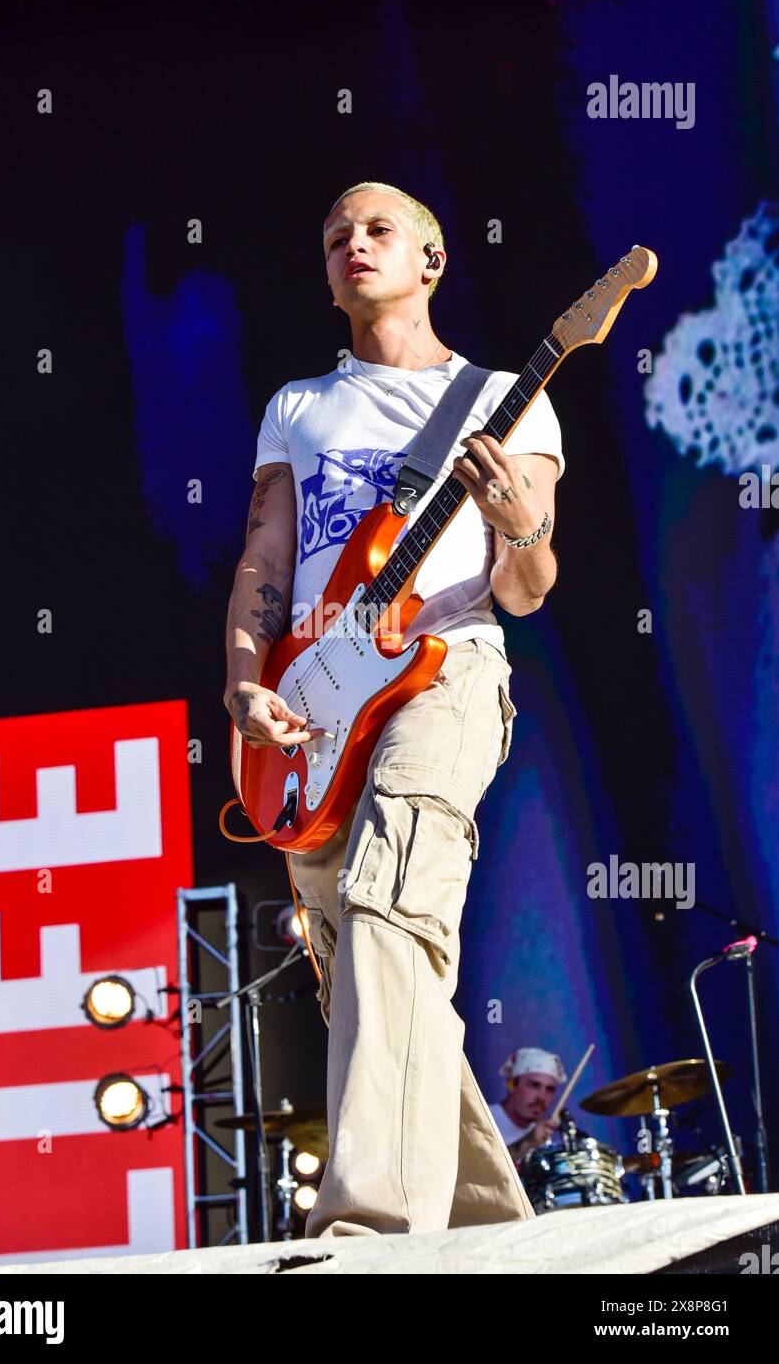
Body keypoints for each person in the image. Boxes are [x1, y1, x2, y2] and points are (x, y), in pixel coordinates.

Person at [223, 181, 565, 1237]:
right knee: (367, 965)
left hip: (446, 667)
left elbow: (525, 588)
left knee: (390, 905)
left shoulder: (508, 395)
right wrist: (245, 679)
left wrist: (518, 527)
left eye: (377, 230)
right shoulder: (297, 406)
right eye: (334, 237)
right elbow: (264, 560)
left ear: (431, 259)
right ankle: (491, 1231)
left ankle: (368, 1223)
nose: (352, 245)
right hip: (318, 698)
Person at [488, 1047, 567, 1161]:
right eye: (534, 1085)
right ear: (512, 1084)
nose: (541, 1097)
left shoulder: (543, 1138)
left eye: (549, 1089)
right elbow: (482, 1169)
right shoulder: (483, 1117)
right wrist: (528, 1141)